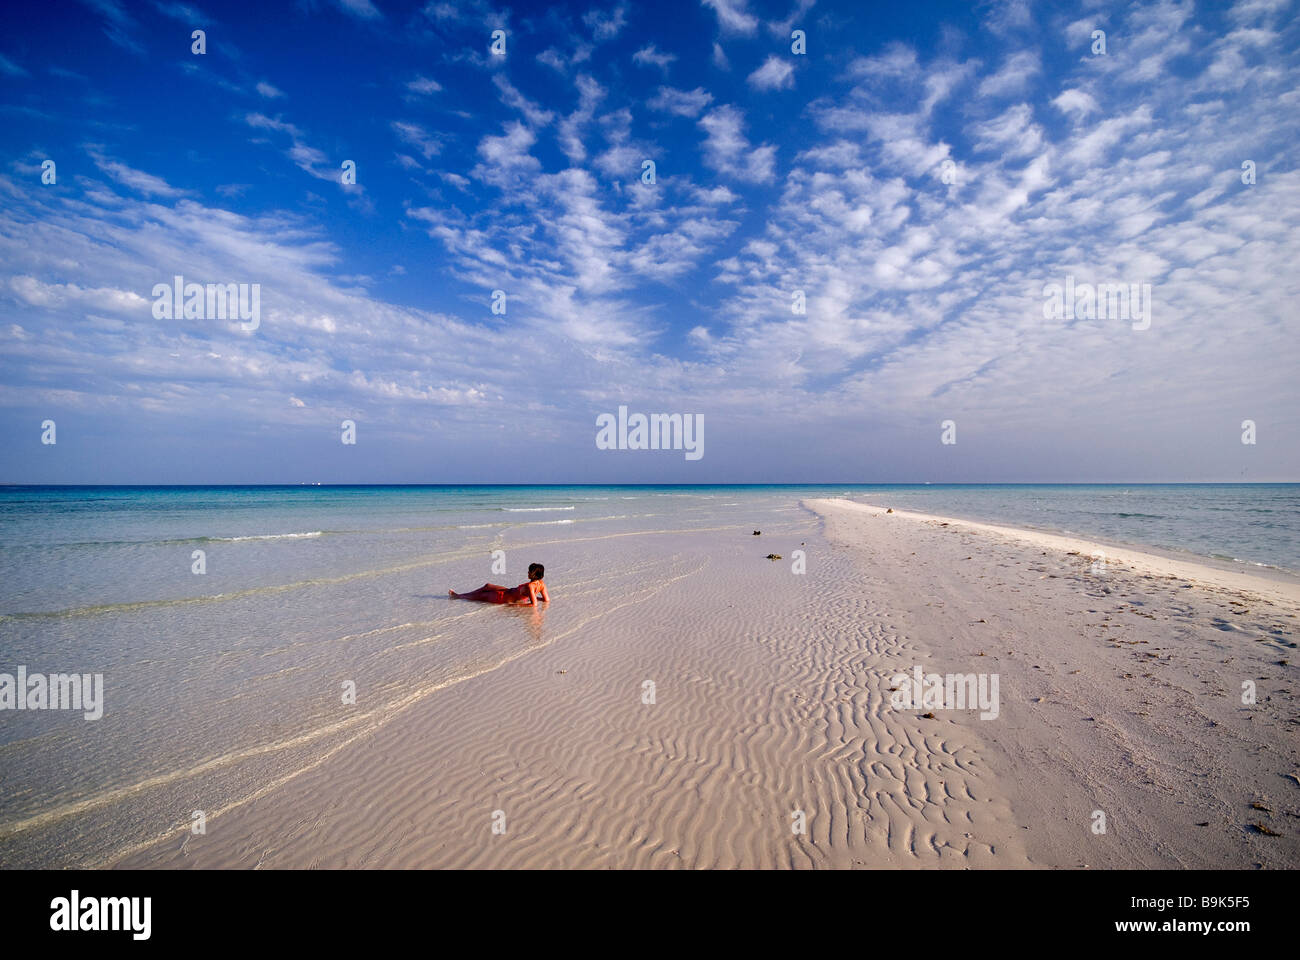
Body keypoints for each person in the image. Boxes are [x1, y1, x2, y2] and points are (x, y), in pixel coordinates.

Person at [449, 562, 550, 605]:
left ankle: (459, 596)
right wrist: (530, 597)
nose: (527, 573)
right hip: (509, 591)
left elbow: (534, 605)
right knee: (487, 586)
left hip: (502, 597)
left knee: (481, 595)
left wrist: (515, 606)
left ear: (533, 574)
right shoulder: (541, 584)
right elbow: (546, 600)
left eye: (529, 571)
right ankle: (462, 595)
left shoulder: (530, 586)